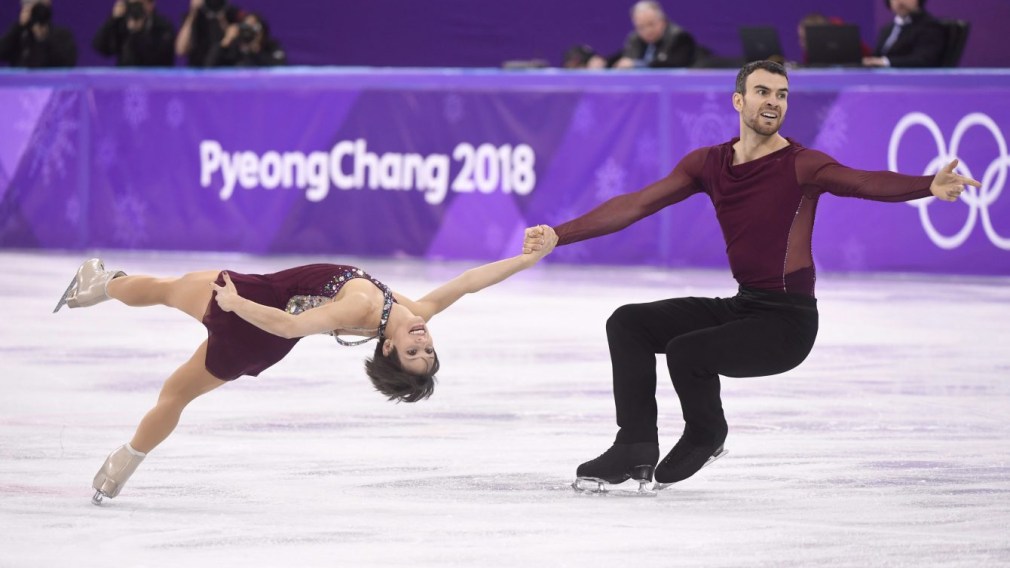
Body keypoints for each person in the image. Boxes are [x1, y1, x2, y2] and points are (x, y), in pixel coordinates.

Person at [523, 60, 979, 493]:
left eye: (782, 95)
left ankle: (707, 432)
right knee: (628, 323)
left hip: (787, 325)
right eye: (763, 91)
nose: (773, 102)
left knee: (687, 352)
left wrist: (927, 185)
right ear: (738, 100)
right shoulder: (709, 163)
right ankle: (634, 446)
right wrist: (559, 235)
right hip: (745, 306)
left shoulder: (802, 164)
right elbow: (640, 202)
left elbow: (862, 181)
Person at [54, 242, 557, 504]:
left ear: (388, 348)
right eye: (428, 351)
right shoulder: (410, 308)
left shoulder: (361, 306)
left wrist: (235, 302)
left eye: (413, 353)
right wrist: (528, 260)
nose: (423, 342)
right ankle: (122, 465)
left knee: (170, 288)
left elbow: (291, 322)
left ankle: (99, 285)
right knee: (176, 393)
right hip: (262, 343)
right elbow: (469, 283)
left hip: (255, 309)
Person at [614, 1, 696, 69]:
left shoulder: (679, 38)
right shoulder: (635, 39)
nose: (647, 31)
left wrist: (636, 65)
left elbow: (670, 65)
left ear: (662, 22)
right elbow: (624, 58)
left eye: (651, 24)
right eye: (641, 27)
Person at [863, 0, 946, 68]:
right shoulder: (887, 29)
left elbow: (923, 60)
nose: (900, 1)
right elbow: (876, 56)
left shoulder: (929, 26)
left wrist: (885, 62)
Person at [92, 0, 175, 67]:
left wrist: (138, 32)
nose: (135, 9)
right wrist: (113, 20)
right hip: (125, 78)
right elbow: (100, 47)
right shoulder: (122, 23)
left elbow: (162, 58)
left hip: (153, 79)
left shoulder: (162, 26)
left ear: (151, 5)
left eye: (138, 5)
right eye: (131, 5)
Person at [0, 0, 76, 68]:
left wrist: (42, 38)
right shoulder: (19, 35)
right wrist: (19, 27)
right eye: (27, 3)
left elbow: (67, 63)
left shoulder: (61, 35)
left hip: (50, 81)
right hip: (21, 82)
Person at [206, 11, 285, 67]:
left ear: (261, 30)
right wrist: (225, 41)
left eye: (253, 28)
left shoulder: (271, 46)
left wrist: (256, 51)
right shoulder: (234, 47)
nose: (249, 32)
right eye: (247, 28)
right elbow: (209, 67)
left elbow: (279, 67)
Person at [174, 0, 237, 67]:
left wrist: (221, 16)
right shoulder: (193, 16)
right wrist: (193, 13)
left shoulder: (231, 13)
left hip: (224, 70)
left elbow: (235, 46)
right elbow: (180, 50)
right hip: (198, 71)